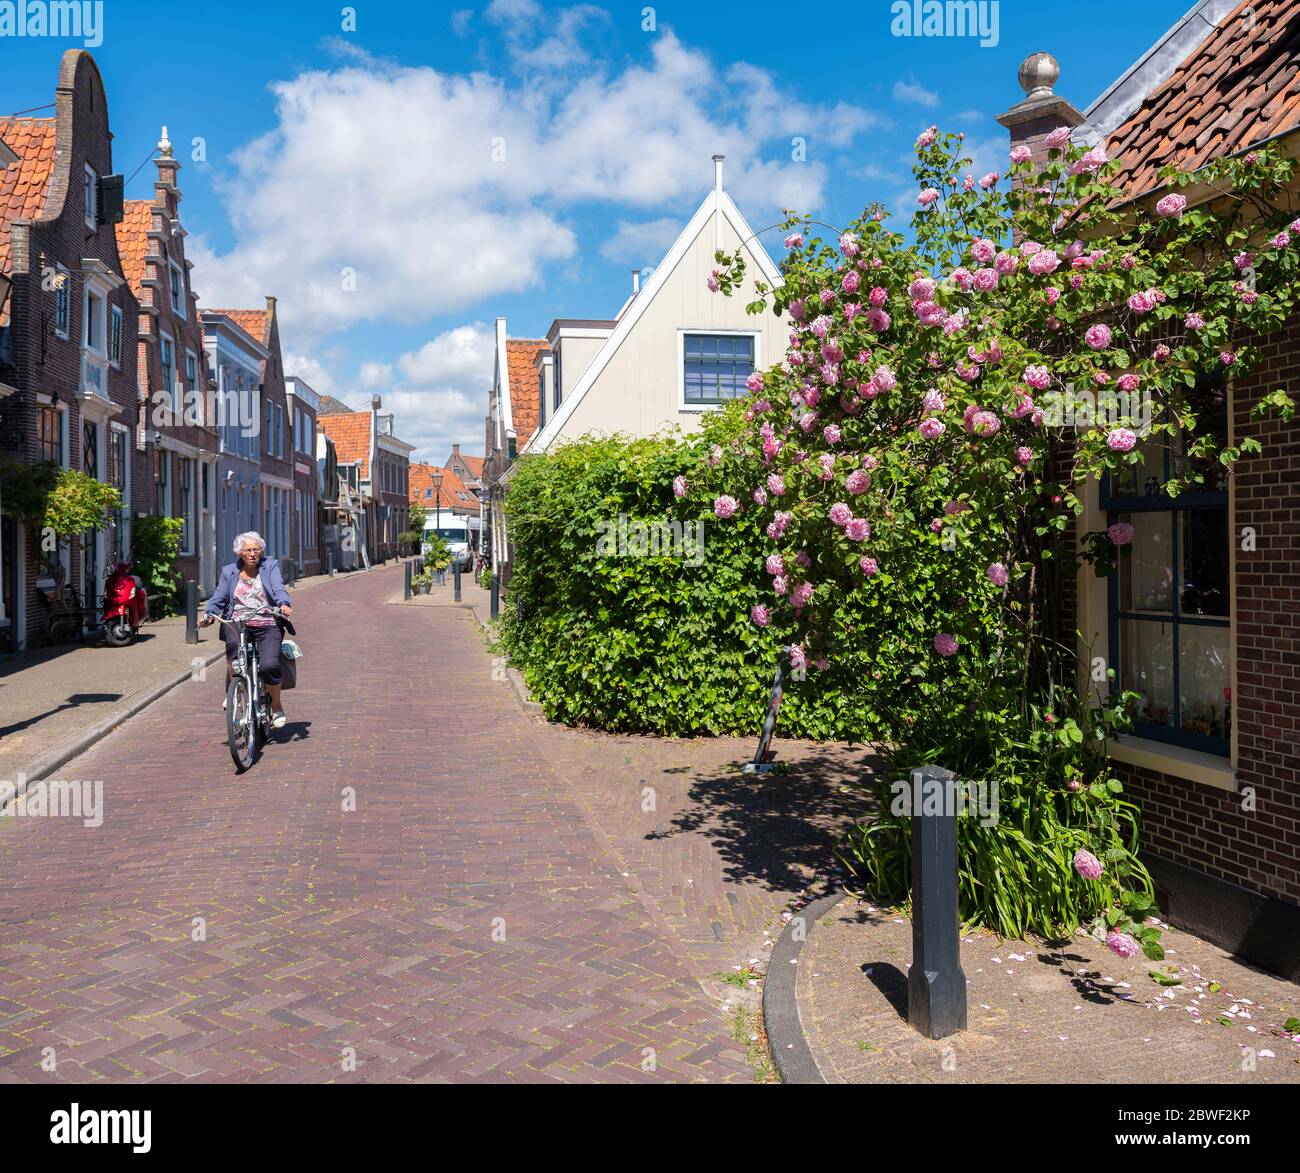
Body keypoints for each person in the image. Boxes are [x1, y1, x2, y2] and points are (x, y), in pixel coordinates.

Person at [199, 532, 293, 728]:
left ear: (261, 551)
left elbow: (278, 588)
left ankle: (276, 706)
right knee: (233, 650)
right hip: (239, 620)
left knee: (269, 665)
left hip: (266, 620)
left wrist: (283, 603)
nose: (252, 553)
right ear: (240, 553)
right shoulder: (229, 571)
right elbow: (219, 597)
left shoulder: (270, 566)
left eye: (256, 549)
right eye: (248, 550)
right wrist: (209, 614)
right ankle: (234, 694)